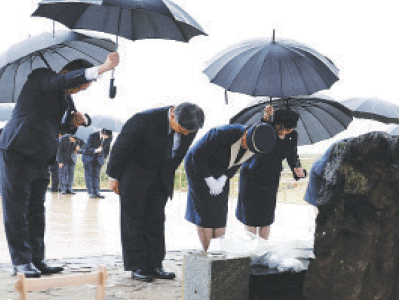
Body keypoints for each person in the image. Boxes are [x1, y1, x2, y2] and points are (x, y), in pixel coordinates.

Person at [0, 52, 120, 278]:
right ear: (68, 74)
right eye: (78, 86)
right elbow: (60, 82)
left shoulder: (65, 98)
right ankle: (21, 262)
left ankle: (37, 259)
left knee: (36, 210)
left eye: (82, 90)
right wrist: (102, 69)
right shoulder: (41, 77)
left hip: (42, 157)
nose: (77, 91)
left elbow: (61, 129)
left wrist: (77, 122)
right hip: (17, 151)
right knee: (16, 210)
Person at [107, 103, 205, 282]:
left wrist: (167, 173)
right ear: (173, 115)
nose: (185, 134)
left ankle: (155, 264)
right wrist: (114, 176)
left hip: (161, 177)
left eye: (188, 132)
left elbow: (179, 153)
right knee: (133, 219)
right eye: (182, 130)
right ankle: (137, 265)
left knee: (156, 219)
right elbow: (120, 147)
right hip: (135, 174)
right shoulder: (143, 120)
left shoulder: (191, 125)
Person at [184, 121, 277, 251]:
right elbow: (197, 156)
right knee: (205, 209)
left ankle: (218, 250)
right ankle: (208, 252)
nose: (247, 148)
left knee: (220, 208)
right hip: (198, 168)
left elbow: (238, 162)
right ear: (245, 135)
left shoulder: (257, 146)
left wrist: (224, 177)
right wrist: (209, 179)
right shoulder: (221, 133)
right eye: (246, 144)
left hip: (221, 170)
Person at [236, 107, 306, 240]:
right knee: (250, 216)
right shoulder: (265, 129)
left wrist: (297, 167)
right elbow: (256, 135)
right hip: (252, 175)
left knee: (266, 217)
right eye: (284, 128)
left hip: (271, 178)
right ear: (277, 123)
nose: (287, 132)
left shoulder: (292, 135)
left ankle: (262, 248)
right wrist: (265, 119)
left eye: (290, 129)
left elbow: (292, 155)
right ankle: (251, 249)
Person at [82, 129, 112, 198]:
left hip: (99, 159)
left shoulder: (109, 137)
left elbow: (107, 149)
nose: (107, 138)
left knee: (96, 175)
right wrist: (96, 150)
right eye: (106, 136)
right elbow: (86, 149)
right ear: (102, 133)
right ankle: (91, 192)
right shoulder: (92, 136)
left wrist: (104, 157)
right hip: (88, 158)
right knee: (89, 175)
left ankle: (97, 192)